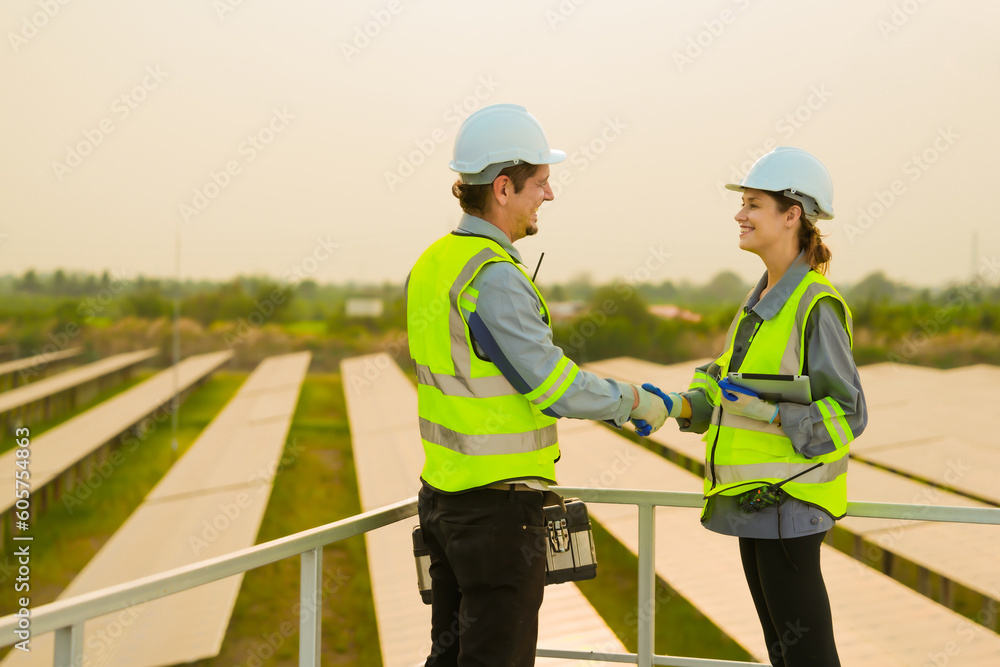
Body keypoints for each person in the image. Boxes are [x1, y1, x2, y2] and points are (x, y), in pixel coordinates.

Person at [405, 103, 670, 667]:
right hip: (494, 515)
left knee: (448, 658)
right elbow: (554, 387)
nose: (548, 196)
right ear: (503, 188)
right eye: (541, 184)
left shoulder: (434, 263)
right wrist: (635, 401)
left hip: (442, 500)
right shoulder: (492, 276)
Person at [646, 146, 867, 666]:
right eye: (741, 204)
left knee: (808, 656)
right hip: (754, 503)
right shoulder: (758, 305)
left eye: (752, 205)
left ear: (792, 215)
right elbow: (727, 391)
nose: (739, 215)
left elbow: (849, 412)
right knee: (782, 654)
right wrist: (674, 405)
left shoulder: (815, 304)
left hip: (791, 506)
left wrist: (774, 415)